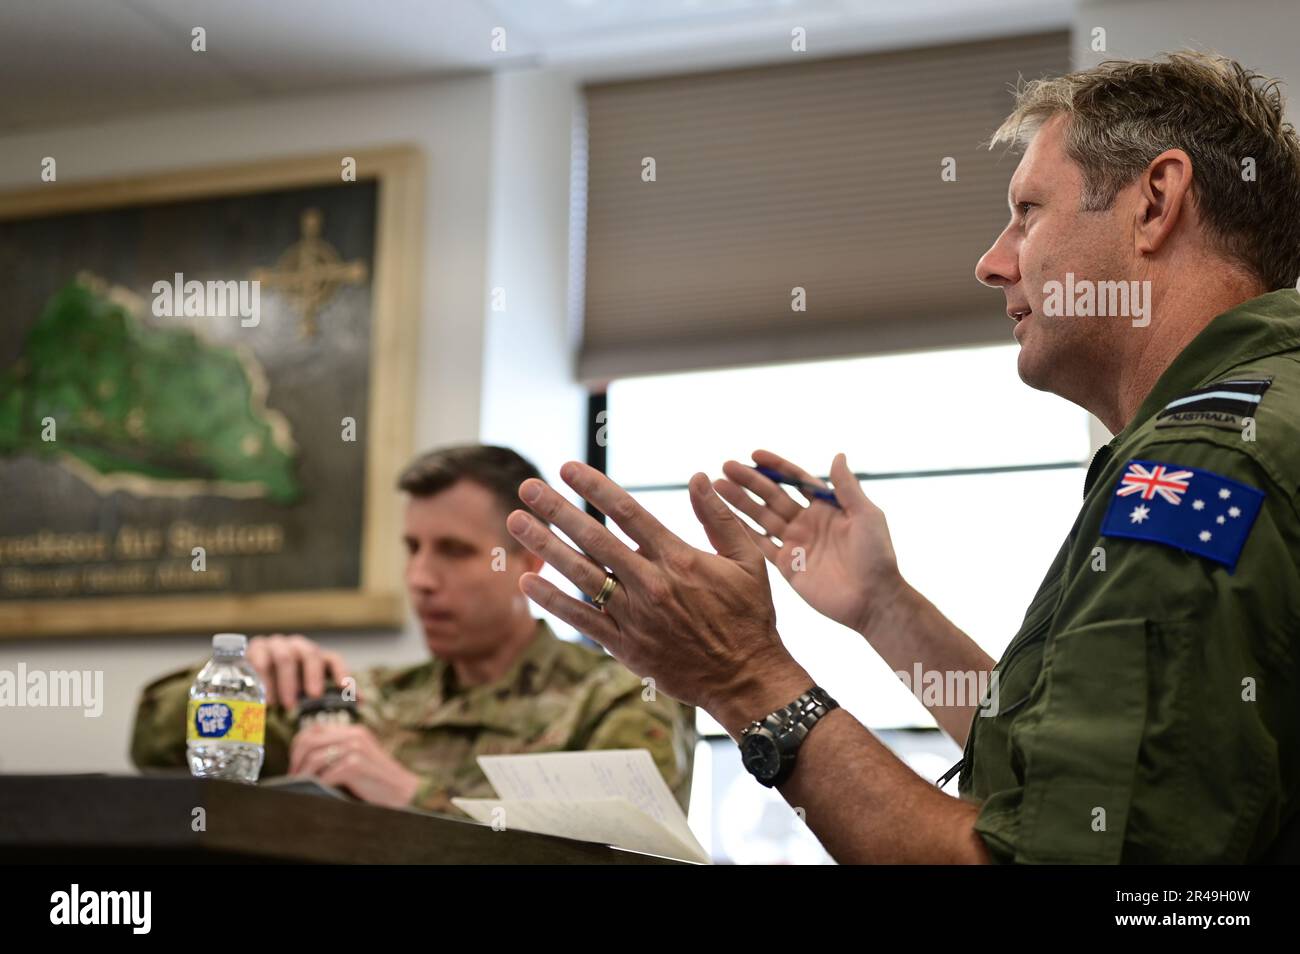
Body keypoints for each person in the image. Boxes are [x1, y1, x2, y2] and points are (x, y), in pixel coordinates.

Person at [503, 51, 1300, 863]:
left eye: (1027, 212)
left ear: (1155, 203)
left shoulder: (1206, 463)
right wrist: (885, 607)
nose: (993, 262)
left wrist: (743, 678)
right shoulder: (1251, 423)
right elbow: (1078, 777)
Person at [131, 444, 695, 814]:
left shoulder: (615, 699)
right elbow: (155, 746)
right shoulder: (368, 699)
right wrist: (244, 674)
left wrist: (411, 797)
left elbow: (614, 852)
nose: (420, 578)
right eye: (413, 549)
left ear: (527, 560)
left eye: (453, 551)